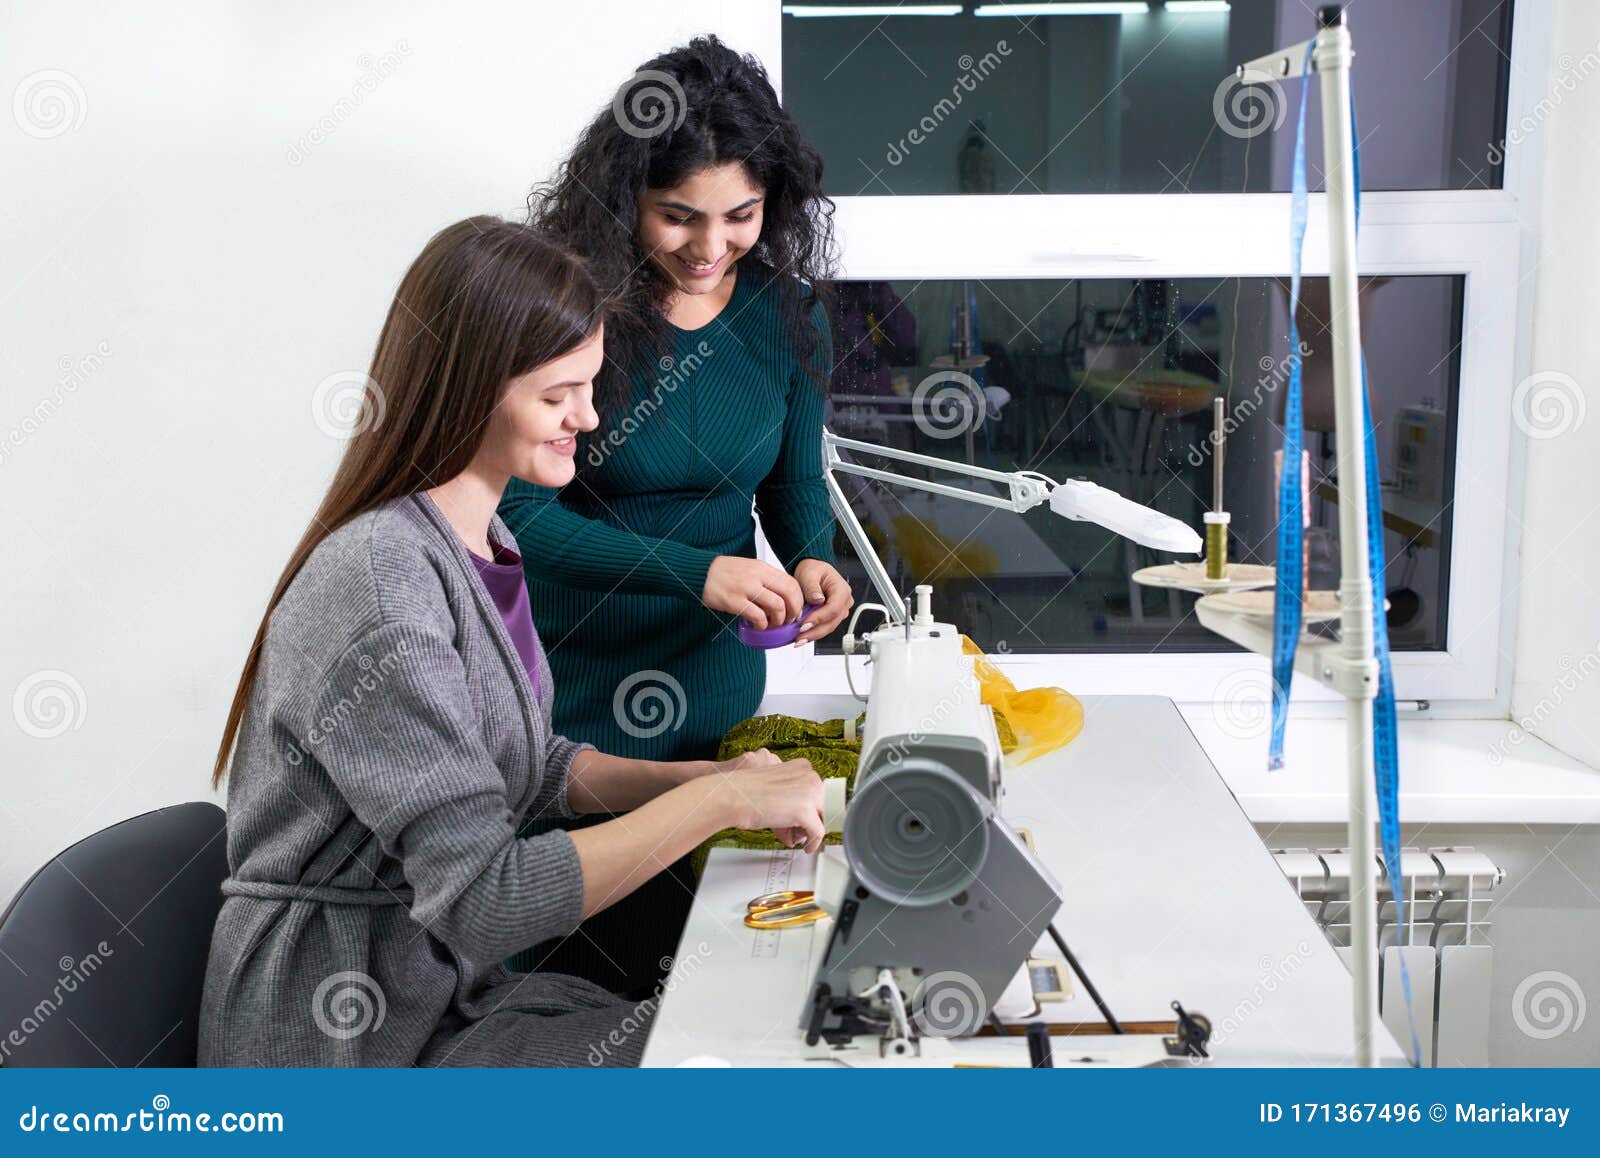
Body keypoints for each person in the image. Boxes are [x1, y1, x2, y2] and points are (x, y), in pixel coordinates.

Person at [199, 218, 825, 1067]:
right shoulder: (383, 590)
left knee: (727, 1046)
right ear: (469, 385)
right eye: (558, 395)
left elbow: (533, 766)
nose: (591, 417)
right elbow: (488, 901)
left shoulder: (481, 539)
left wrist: (712, 779)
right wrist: (719, 808)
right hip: (342, 1035)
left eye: (592, 386)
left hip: (436, 994)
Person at [498, 36, 852, 992]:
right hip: (584, 716)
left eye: (741, 215)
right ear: (627, 205)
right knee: (579, 998)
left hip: (720, 704)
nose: (710, 247)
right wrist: (698, 572)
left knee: (706, 994)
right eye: (677, 217)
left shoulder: (789, 311)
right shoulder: (573, 315)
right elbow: (522, 521)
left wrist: (814, 560)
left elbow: (791, 480)